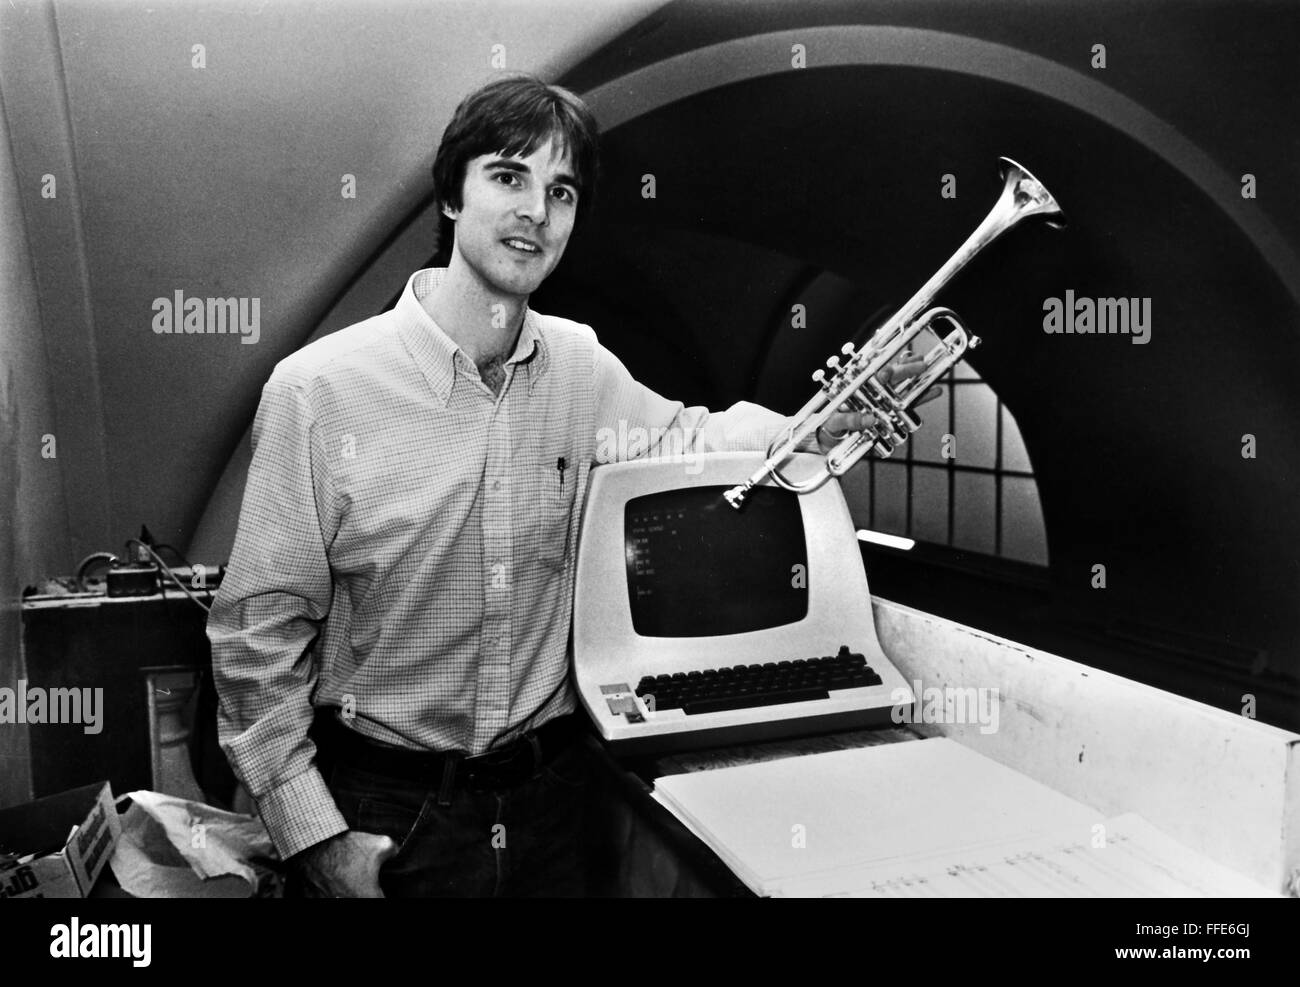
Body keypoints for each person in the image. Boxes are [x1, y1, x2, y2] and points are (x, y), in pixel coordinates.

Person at [207, 74, 932, 898]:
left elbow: (688, 437)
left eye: (561, 191)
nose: (536, 212)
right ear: (452, 194)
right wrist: (316, 841)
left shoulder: (580, 366)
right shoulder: (318, 391)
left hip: (554, 802)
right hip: (391, 809)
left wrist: (826, 422)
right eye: (509, 177)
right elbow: (254, 636)